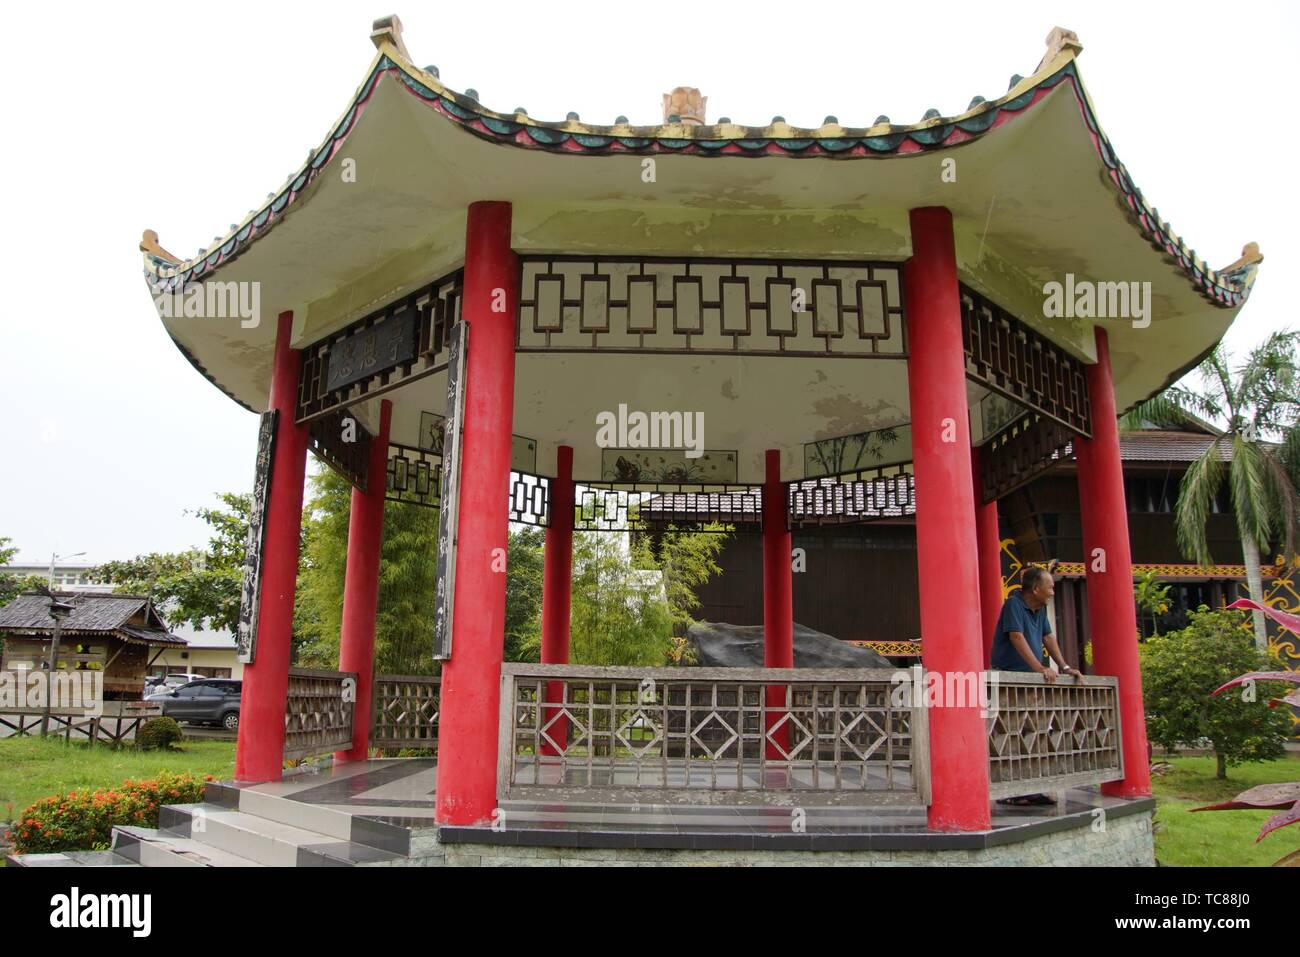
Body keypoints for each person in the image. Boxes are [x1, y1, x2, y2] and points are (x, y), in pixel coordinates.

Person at [990, 564, 1082, 807]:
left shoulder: (1040, 610)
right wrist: (1040, 667)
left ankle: (1032, 787)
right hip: (1011, 676)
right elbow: (1016, 636)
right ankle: (1009, 789)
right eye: (1050, 587)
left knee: (1035, 731)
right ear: (1036, 588)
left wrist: (1063, 666)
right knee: (1011, 732)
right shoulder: (1014, 604)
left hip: (1032, 680)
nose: (1053, 591)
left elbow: (1048, 638)